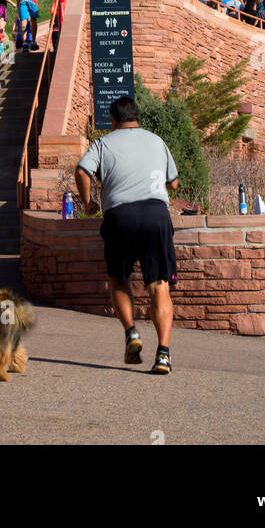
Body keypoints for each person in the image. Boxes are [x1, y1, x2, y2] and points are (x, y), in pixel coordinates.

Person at [75, 95, 179, 375]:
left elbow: (82, 171)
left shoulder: (103, 143)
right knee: (159, 285)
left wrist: (88, 202)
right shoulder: (157, 141)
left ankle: (131, 332)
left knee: (119, 279)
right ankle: (164, 355)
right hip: (156, 215)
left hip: (120, 217)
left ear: (113, 119)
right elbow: (174, 181)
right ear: (137, 116)